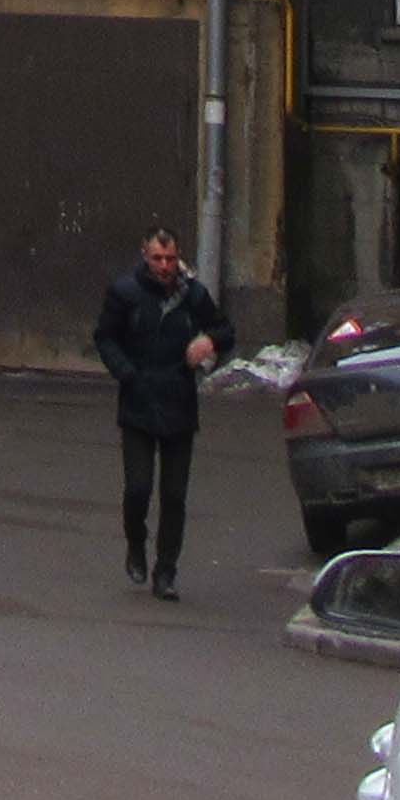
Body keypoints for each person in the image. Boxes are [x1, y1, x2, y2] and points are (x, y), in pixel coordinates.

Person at [90, 225, 234, 599]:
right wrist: (126, 373)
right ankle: (135, 542)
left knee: (174, 496)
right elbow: (104, 337)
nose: (165, 266)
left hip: (179, 404)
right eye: (157, 258)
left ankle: (165, 570)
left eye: (170, 259)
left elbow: (225, 329)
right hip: (138, 402)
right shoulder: (126, 293)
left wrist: (209, 341)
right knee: (138, 489)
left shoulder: (193, 295)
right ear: (145, 255)